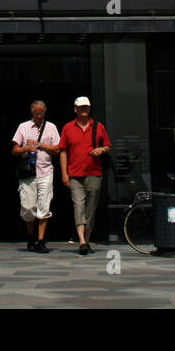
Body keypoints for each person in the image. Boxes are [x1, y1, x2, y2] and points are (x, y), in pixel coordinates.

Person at [59, 96, 112, 255]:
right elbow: (63, 151)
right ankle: (82, 241)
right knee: (79, 206)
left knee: (91, 208)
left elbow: (108, 145)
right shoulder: (68, 128)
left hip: (94, 173)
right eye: (81, 107)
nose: (84, 110)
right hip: (75, 174)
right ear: (75, 109)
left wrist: (101, 150)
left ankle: (87, 239)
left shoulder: (98, 126)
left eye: (86, 107)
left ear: (89, 109)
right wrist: (64, 174)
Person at [11, 99, 61, 252]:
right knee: (28, 207)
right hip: (28, 174)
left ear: (45, 113)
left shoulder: (51, 127)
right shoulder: (23, 127)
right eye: (36, 113)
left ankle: (41, 240)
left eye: (41, 113)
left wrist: (41, 146)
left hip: (45, 171)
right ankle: (30, 234)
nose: (39, 116)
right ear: (32, 113)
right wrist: (26, 148)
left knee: (44, 206)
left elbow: (57, 149)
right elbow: (14, 150)